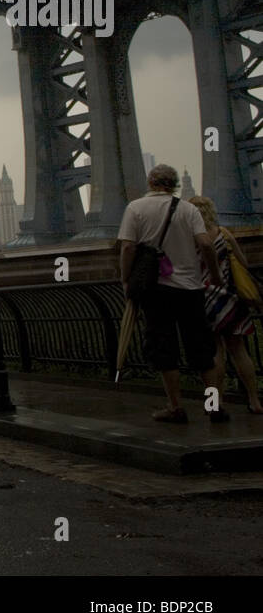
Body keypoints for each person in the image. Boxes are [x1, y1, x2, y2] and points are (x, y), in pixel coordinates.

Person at [117, 165, 227, 423]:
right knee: (202, 350)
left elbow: (128, 248)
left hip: (155, 290)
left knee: (164, 349)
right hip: (190, 288)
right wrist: (214, 274)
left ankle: (176, 407)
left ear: (150, 183)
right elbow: (206, 243)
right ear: (175, 184)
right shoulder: (188, 209)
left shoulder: (135, 208)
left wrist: (125, 279)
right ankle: (214, 406)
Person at [187, 195, 262, 414]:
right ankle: (255, 401)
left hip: (204, 301)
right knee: (239, 351)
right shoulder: (224, 234)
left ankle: (214, 404)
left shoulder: (190, 239)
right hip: (231, 298)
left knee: (214, 354)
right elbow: (244, 263)